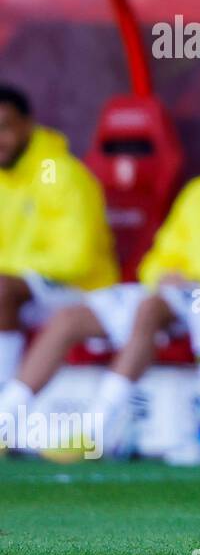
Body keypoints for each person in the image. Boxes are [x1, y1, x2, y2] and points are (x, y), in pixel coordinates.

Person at [0, 93, 200, 459]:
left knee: (150, 308)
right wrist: (167, 274)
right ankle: (5, 420)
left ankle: (96, 429)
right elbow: (155, 259)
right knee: (72, 318)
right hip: (181, 293)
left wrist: (196, 276)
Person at [0, 85, 117, 390]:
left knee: (2, 289)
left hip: (82, 290)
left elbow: (75, 259)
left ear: (28, 124)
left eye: (4, 128)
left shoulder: (58, 173)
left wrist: (8, 267)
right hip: (30, 291)